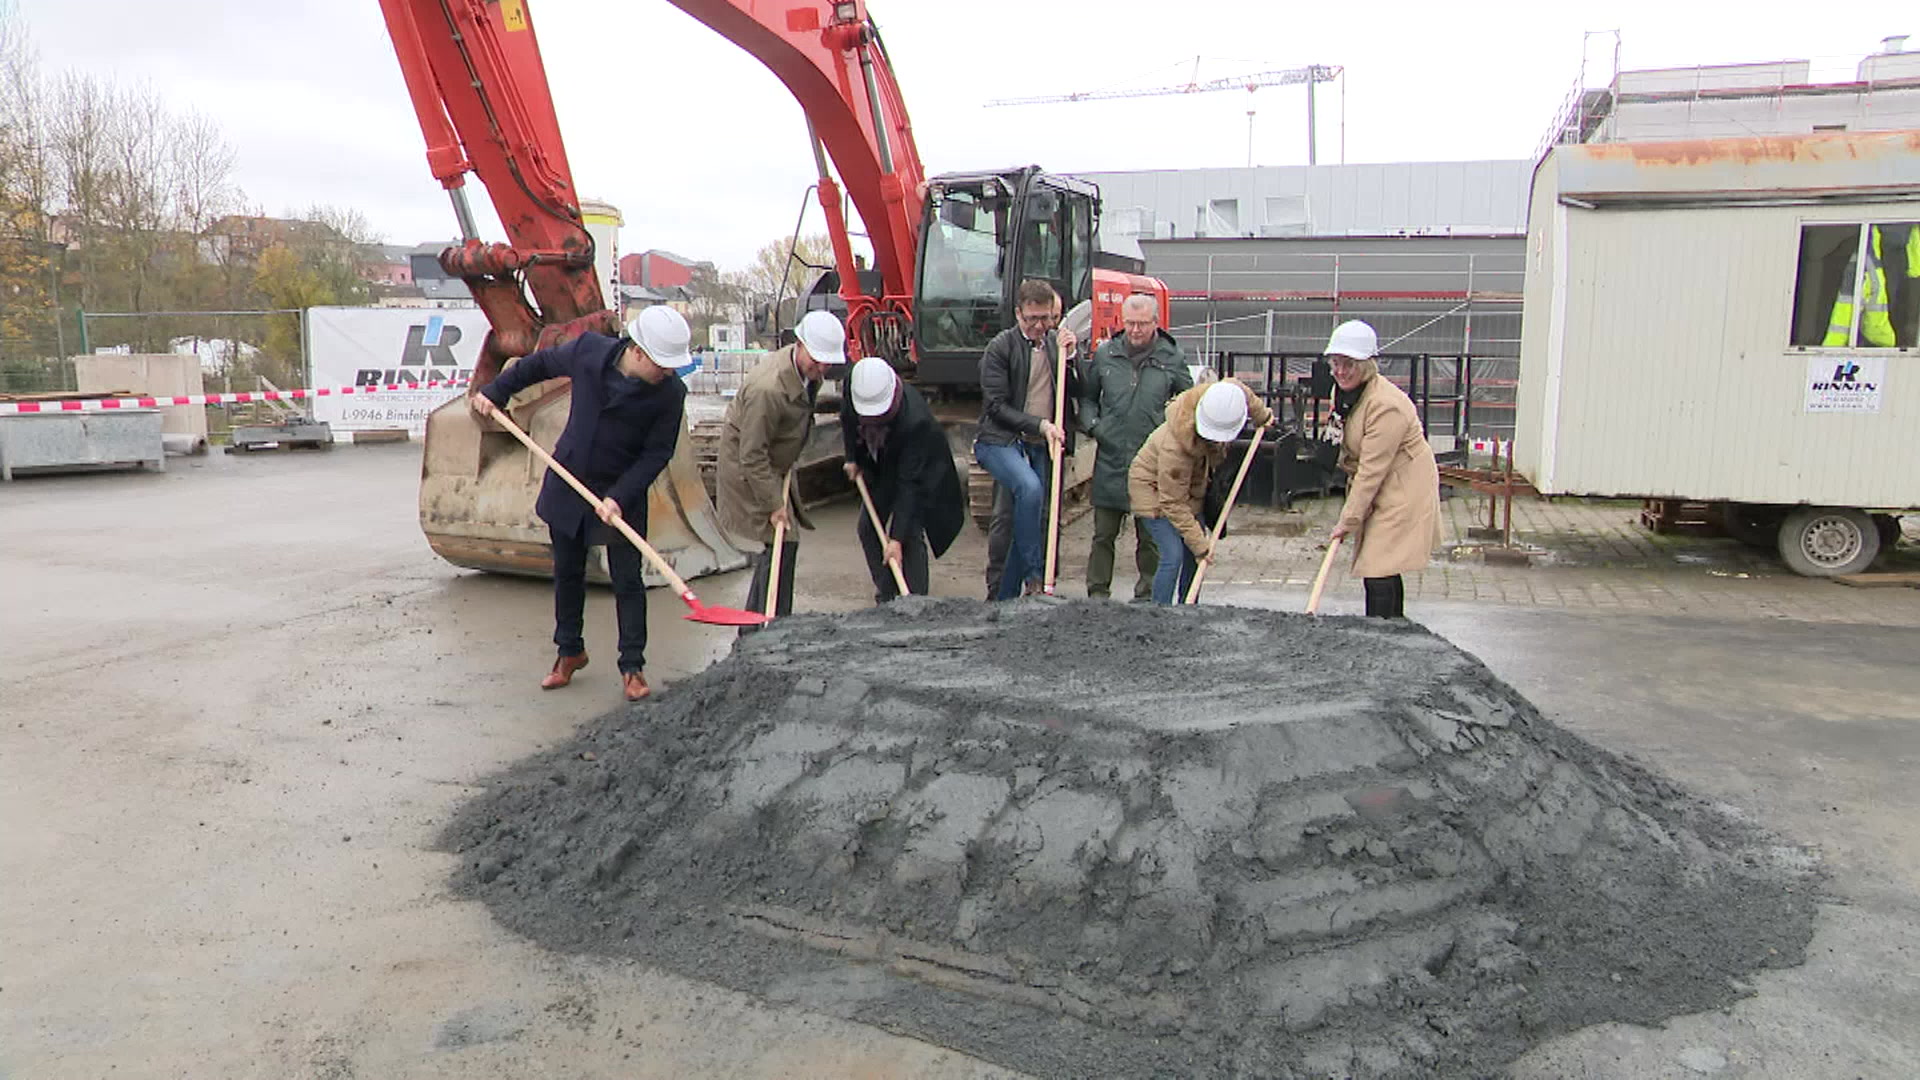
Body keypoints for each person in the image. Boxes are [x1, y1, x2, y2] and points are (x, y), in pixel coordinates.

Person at [469, 306, 691, 701]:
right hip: (569, 478)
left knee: (627, 580)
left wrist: (620, 496)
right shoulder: (589, 352)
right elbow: (537, 365)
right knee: (568, 572)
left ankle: (632, 665)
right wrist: (495, 392)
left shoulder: (670, 394)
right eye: (663, 364)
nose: (668, 372)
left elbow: (657, 453)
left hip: (621, 491)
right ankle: (569, 651)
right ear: (637, 351)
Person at [715, 310, 847, 618]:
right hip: (749, 470)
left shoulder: (804, 371)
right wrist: (774, 505)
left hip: (772, 464)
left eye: (827, 362)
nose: (822, 368)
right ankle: (761, 627)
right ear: (799, 344)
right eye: (817, 360)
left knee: (781, 546)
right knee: (779, 543)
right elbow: (752, 455)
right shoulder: (768, 389)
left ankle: (769, 623)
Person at [1323, 320, 1441, 619]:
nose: (1340, 371)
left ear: (1367, 364)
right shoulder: (1343, 393)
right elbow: (1339, 438)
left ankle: (1383, 633)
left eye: (1349, 364)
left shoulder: (1386, 406)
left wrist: (1347, 520)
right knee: (1381, 564)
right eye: (1335, 363)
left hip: (1404, 486)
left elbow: (1371, 472)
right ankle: (1392, 628)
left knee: (1379, 563)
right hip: (1380, 479)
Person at [1079, 294, 1192, 600]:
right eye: (1130, 323)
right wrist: (1095, 427)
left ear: (1156, 322)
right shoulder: (1106, 355)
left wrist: (1172, 438)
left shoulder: (1172, 358)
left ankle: (1147, 596)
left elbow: (1188, 403)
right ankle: (1097, 594)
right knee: (1103, 534)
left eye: (1142, 324)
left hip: (1153, 463)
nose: (1135, 330)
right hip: (1111, 457)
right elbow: (1088, 398)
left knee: (1150, 537)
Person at [974, 279, 1077, 600]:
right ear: (1018, 313)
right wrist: (1041, 424)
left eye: (1045, 318)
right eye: (1032, 319)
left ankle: (1018, 594)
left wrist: (1072, 358)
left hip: (1042, 445)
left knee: (1036, 516)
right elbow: (995, 406)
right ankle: (1024, 580)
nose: (1039, 326)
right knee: (1022, 499)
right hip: (1001, 441)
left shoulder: (1056, 345)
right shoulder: (1000, 348)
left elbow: (1080, 389)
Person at [1128, 379, 1273, 605]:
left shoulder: (1223, 394)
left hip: (1190, 486)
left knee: (1193, 556)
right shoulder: (1174, 449)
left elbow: (1243, 392)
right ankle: (1160, 611)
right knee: (1173, 555)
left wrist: (1262, 416)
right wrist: (1200, 545)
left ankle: (1188, 607)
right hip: (1153, 491)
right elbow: (1173, 503)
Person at [841, 357, 966, 602]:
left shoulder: (916, 422)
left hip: (918, 470)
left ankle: (916, 600)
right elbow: (847, 417)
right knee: (867, 527)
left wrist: (896, 540)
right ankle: (887, 594)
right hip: (880, 463)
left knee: (909, 532)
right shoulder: (855, 384)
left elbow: (908, 485)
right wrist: (852, 457)